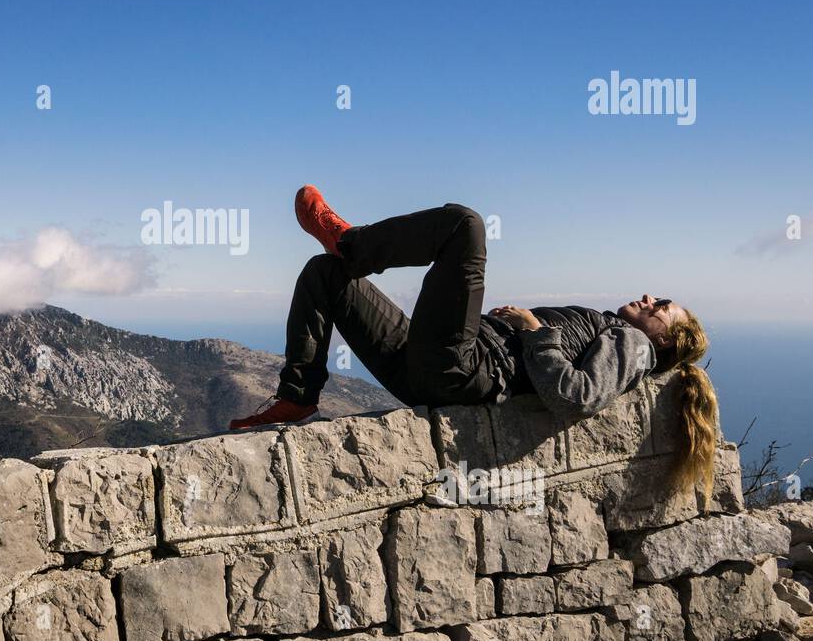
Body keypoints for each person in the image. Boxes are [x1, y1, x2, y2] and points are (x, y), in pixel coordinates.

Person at [230, 186, 719, 496]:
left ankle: (351, 242)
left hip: (460, 368)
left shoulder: (635, 347)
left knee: (465, 226)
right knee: (325, 275)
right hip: (427, 366)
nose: (651, 298)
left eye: (663, 307)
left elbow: (577, 397)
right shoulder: (621, 334)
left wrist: (534, 330)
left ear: (666, 341)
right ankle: (296, 396)